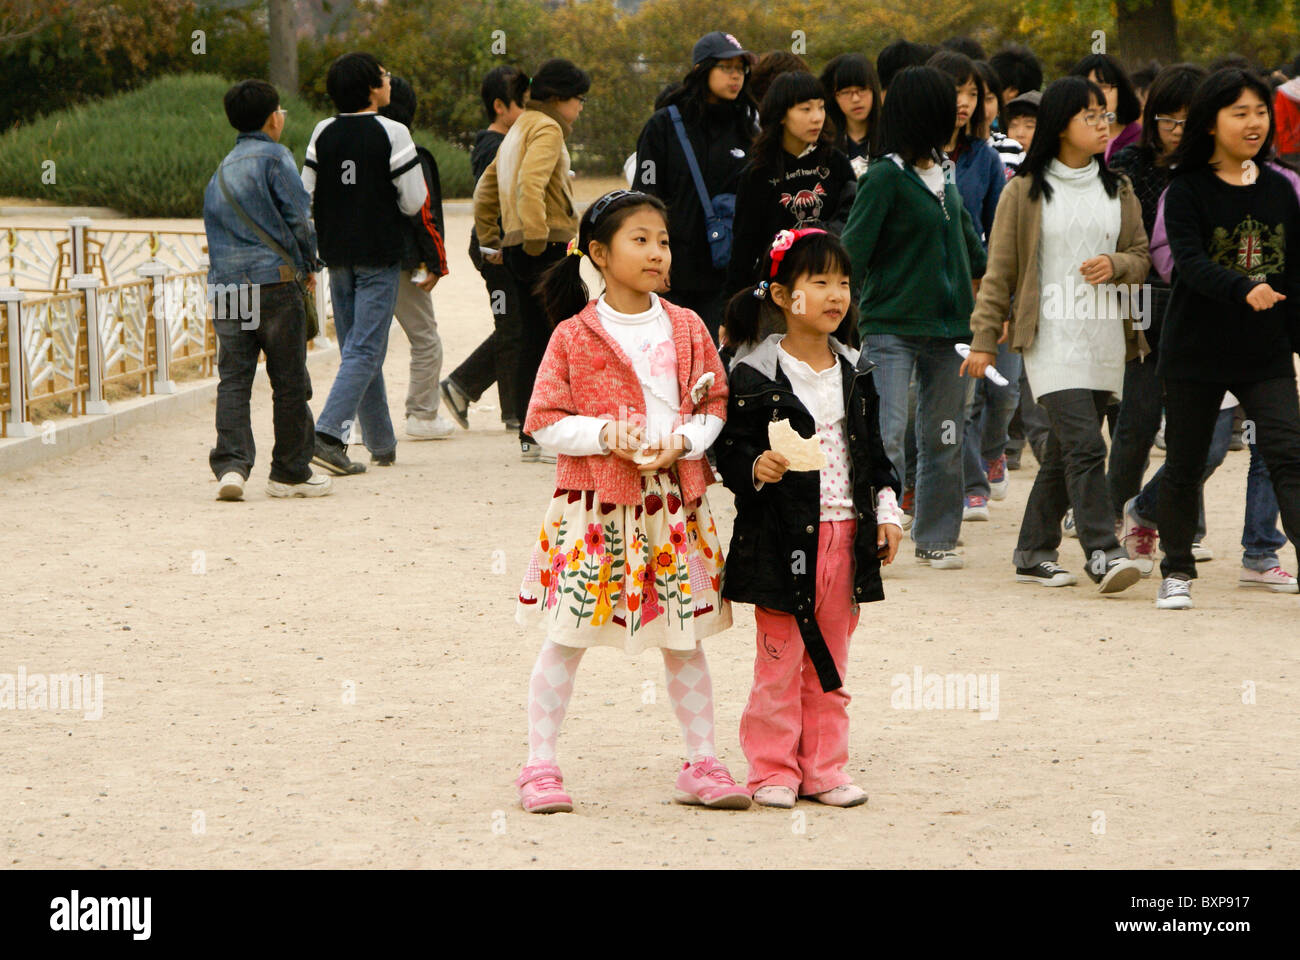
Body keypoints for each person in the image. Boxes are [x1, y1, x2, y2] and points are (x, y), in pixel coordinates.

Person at [511, 190, 745, 813]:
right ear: (598, 253)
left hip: (673, 506)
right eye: (639, 239)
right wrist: (604, 435)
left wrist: (685, 443)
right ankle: (539, 766)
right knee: (566, 634)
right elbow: (543, 418)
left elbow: (714, 403)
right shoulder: (572, 334)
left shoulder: (688, 325)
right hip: (593, 509)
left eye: (662, 240)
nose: (656, 252)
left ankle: (702, 762)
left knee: (684, 637)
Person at [717, 228, 902, 808]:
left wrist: (888, 513)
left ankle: (824, 768)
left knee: (832, 660)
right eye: (818, 281)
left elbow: (874, 452)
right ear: (780, 295)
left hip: (846, 533)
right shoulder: (753, 374)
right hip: (780, 536)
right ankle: (772, 770)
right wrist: (756, 466)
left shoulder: (856, 369)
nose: (835, 294)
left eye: (843, 282)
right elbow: (728, 450)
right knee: (779, 660)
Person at [963, 76, 1149, 593]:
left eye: (1104, 115)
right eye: (1089, 115)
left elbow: (1141, 256)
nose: (1101, 124)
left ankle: (1032, 550)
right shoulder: (1023, 191)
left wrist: (1116, 263)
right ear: (1061, 124)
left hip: (1106, 335)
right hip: (1050, 336)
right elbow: (999, 271)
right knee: (1088, 445)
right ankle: (1103, 551)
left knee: (1070, 449)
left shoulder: (1120, 188)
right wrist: (983, 340)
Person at [1153, 67, 1300, 610]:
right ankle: (1176, 570)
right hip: (1195, 350)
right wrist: (1245, 287)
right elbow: (1187, 264)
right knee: (1187, 461)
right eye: (1239, 113)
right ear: (1211, 123)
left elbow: (1296, 276)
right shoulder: (1186, 189)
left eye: (1260, 111)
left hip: (1265, 353)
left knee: (1288, 454)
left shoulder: (1281, 189)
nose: (1254, 122)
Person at [842, 65, 987, 570]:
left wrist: (994, 288)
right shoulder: (883, 177)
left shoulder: (945, 171)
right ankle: (869, 533)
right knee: (886, 437)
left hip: (951, 331)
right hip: (891, 328)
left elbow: (967, 238)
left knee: (945, 435)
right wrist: (838, 312)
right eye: (946, 109)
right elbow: (853, 253)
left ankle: (937, 537)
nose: (956, 116)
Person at [203, 79, 331, 500]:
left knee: (234, 380)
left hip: (227, 290)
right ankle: (290, 472)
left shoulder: (221, 169)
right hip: (273, 286)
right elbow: (299, 217)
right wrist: (310, 265)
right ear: (273, 117)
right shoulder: (276, 157)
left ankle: (231, 468)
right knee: (290, 380)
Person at [302, 52, 428, 476]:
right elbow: (413, 200)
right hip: (379, 253)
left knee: (357, 345)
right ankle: (329, 434)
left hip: (336, 254)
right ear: (373, 89)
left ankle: (380, 441)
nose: (389, 81)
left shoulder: (322, 132)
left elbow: (306, 196)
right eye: (384, 75)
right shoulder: (394, 132)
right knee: (367, 347)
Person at [474, 58, 590, 464]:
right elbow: (531, 183)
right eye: (579, 100)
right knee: (562, 340)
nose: (580, 108)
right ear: (559, 100)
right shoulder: (546, 127)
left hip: (516, 248)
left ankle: (530, 435)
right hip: (546, 247)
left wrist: (492, 237)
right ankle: (554, 431)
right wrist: (539, 238)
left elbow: (485, 189)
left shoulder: (517, 127)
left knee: (532, 343)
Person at [1106, 64, 1206, 532]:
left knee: (1196, 422)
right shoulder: (1127, 166)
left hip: (1200, 302)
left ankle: (1179, 519)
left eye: (1189, 121)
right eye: (1169, 120)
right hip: (1141, 301)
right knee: (1137, 420)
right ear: (1152, 118)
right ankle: (1111, 516)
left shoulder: (1213, 169)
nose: (1177, 132)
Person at [633, 31, 757, 341]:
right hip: (674, 277)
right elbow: (644, 199)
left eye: (740, 69)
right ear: (702, 70)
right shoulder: (663, 126)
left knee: (716, 370)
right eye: (726, 67)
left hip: (728, 279)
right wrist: (654, 262)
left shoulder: (748, 129)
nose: (735, 76)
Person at [442, 65, 529, 432]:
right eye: (522, 104)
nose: (529, 112)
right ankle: (509, 411)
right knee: (512, 328)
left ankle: (462, 387)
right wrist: (493, 246)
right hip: (495, 251)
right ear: (499, 106)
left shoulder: (508, 142)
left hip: (506, 248)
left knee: (518, 326)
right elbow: (488, 198)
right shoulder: (491, 147)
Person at [724, 70, 856, 297]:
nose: (817, 117)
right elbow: (744, 248)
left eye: (821, 107)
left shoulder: (836, 163)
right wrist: (732, 307)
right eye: (806, 109)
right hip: (778, 292)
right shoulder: (758, 173)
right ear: (782, 115)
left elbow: (854, 223)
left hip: (831, 289)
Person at [378, 75, 455, 444]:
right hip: (403, 260)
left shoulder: (353, 147)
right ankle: (422, 414)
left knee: (365, 344)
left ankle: (363, 420)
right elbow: (424, 213)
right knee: (425, 338)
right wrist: (436, 262)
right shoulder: (409, 152)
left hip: (360, 259)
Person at [1070, 53, 1142, 161]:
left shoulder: (1140, 142)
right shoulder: (1069, 142)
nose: (1096, 95)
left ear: (1121, 91)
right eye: (1088, 87)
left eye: (1103, 87)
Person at [820, 53, 882, 178]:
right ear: (834, 96)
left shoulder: (890, 137)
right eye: (845, 92)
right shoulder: (824, 142)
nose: (855, 98)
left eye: (862, 89)